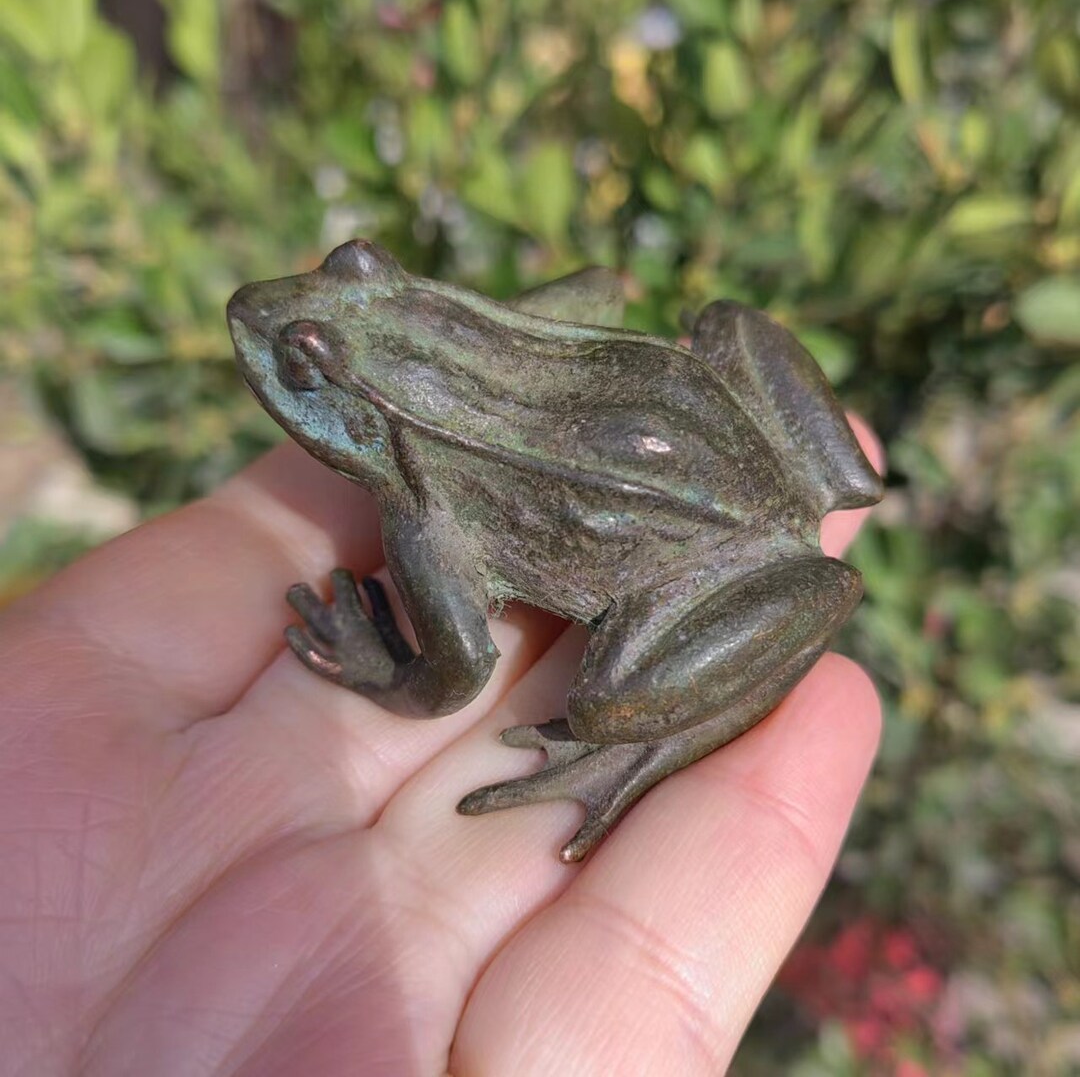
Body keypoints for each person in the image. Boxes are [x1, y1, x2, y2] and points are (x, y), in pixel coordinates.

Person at [0, 423, 883, 1076]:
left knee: (609, 704)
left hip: (714, 556)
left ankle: (647, 746)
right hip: (741, 453)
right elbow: (597, 298)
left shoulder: (426, 512)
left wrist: (376, 663)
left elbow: (454, 676)